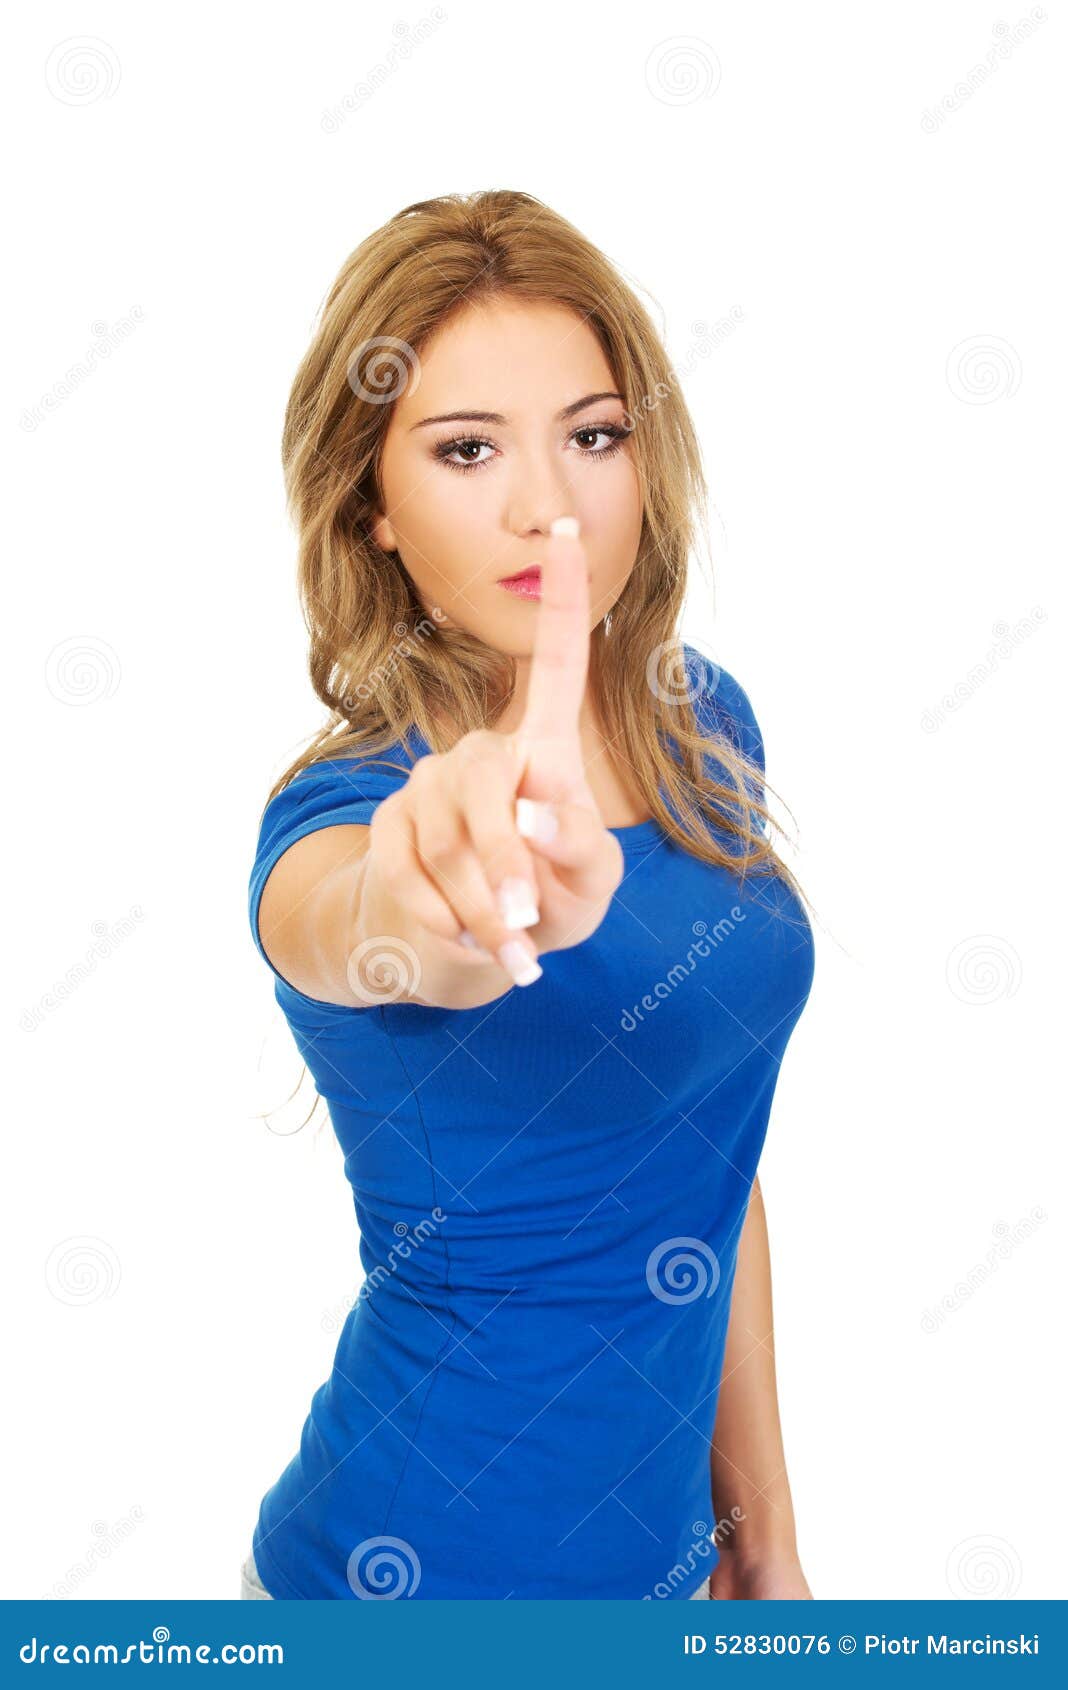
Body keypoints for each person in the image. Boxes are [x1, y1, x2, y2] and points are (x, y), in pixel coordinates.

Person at [242, 190, 817, 1601]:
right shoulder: (339, 817)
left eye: (593, 434)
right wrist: (441, 893)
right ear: (372, 504)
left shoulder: (703, 727)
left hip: (666, 1588)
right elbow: (361, 925)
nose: (546, 501)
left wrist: (767, 1545)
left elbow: (713, 1168)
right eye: (463, 448)